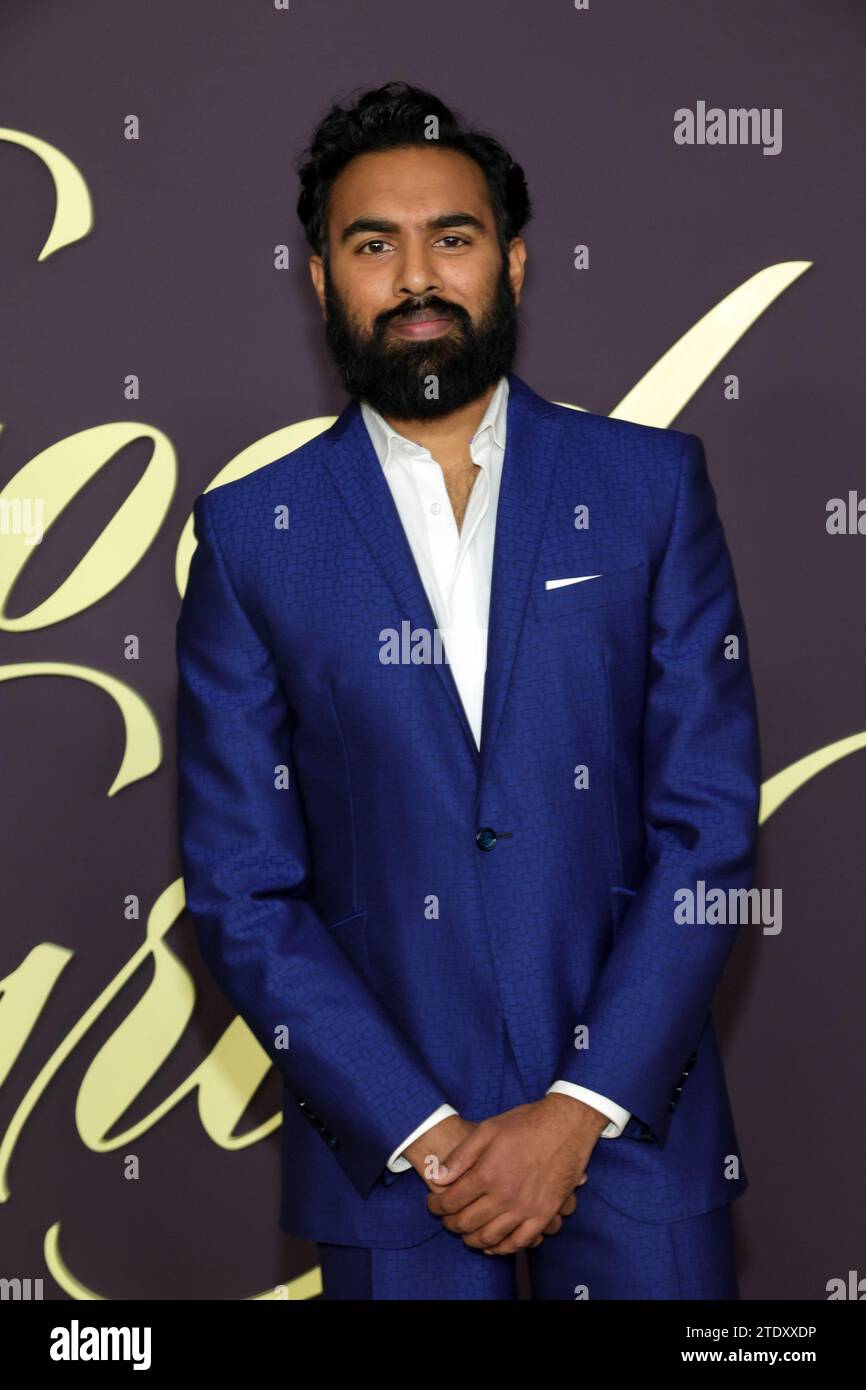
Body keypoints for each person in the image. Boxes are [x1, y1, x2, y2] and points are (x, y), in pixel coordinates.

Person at [175, 81, 761, 1301]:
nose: (416, 275)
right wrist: (427, 1132)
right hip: (396, 1175)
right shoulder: (249, 537)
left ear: (512, 259)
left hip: (637, 1143)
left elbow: (706, 825)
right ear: (321, 276)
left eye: (452, 235)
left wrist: (573, 1110)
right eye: (371, 243)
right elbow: (242, 886)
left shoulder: (648, 486)